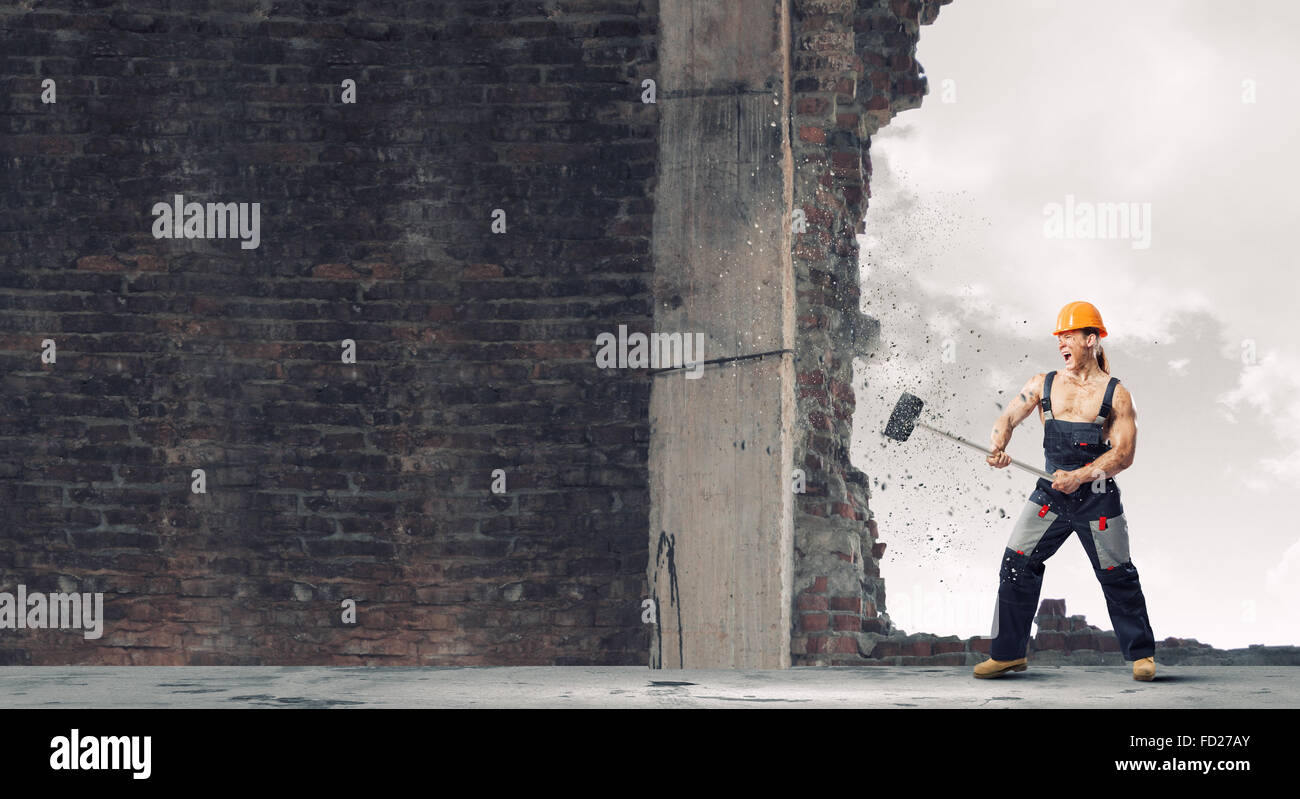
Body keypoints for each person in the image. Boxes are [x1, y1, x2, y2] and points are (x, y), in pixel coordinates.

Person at [973, 301, 1156, 681]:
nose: (1062, 344)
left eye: (1069, 336)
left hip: (1099, 495)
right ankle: (1008, 654)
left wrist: (1083, 475)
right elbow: (1007, 418)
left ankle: (1141, 656)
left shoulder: (1117, 394)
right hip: (1051, 494)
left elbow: (1124, 454)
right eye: (1059, 338)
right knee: (1015, 564)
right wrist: (997, 447)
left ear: (1091, 339)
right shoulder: (1042, 384)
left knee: (1117, 573)